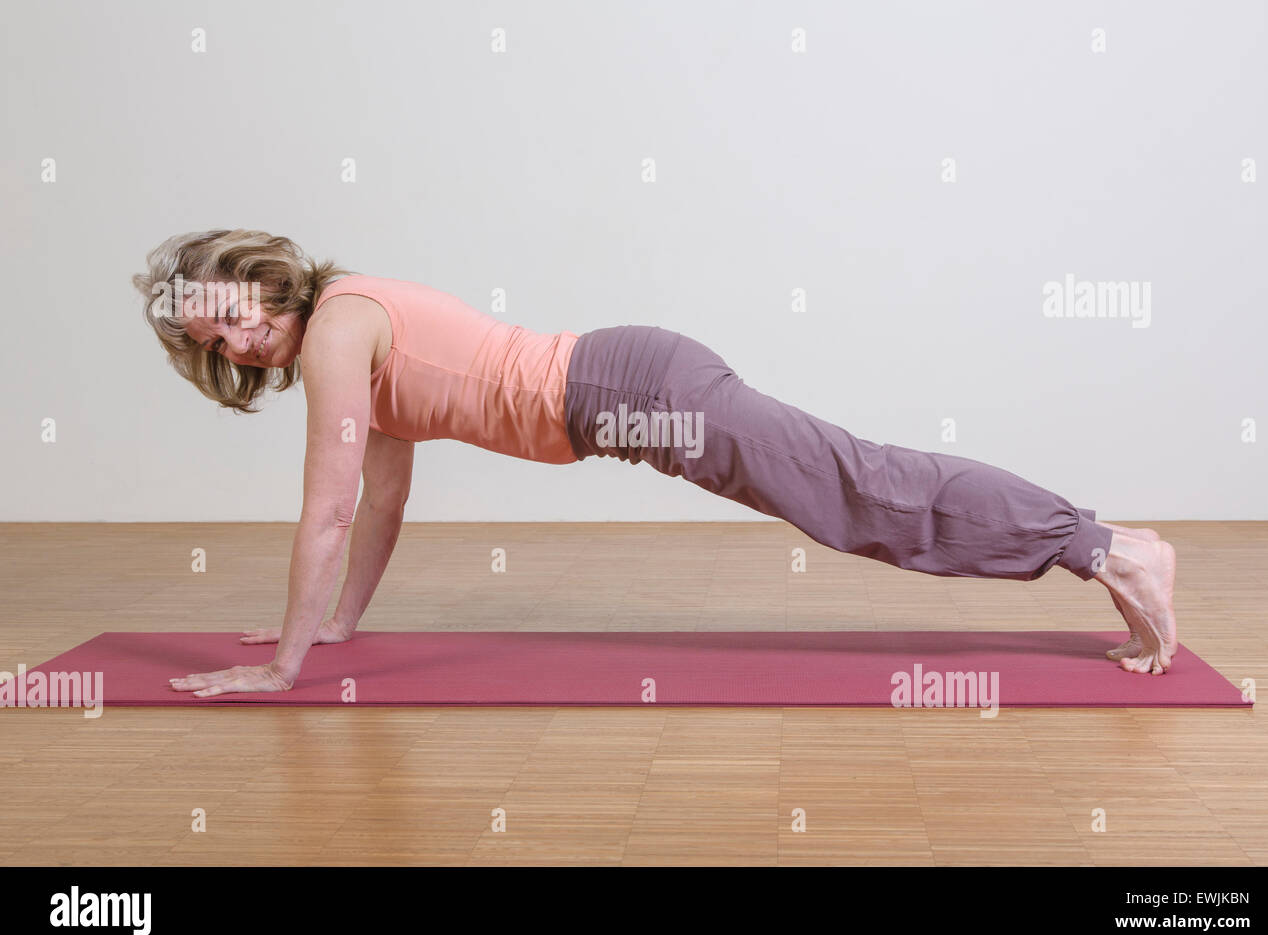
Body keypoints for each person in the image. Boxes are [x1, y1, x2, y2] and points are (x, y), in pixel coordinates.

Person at [133, 229, 1177, 698]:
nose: (238, 344)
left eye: (231, 316)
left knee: (860, 489)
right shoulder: (351, 325)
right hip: (633, 396)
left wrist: (284, 666)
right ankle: (1099, 545)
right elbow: (382, 499)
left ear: (261, 279)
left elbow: (325, 509)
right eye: (216, 347)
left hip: (635, 394)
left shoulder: (333, 330)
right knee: (856, 488)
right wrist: (339, 623)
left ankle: (1106, 546)